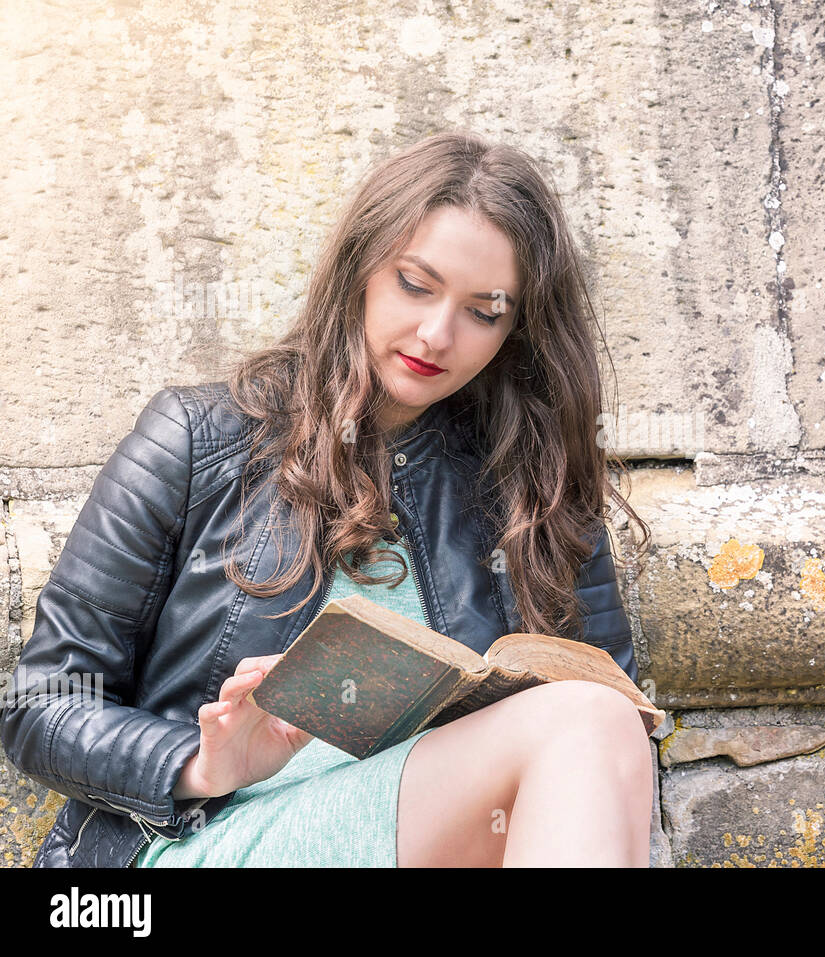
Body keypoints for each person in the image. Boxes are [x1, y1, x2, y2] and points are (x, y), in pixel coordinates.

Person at [0, 129, 656, 867]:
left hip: (448, 842)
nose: (436, 333)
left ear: (517, 327)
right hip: (215, 838)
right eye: (415, 283)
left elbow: (621, 725)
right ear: (362, 266)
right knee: (586, 724)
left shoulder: (538, 485)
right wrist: (202, 762)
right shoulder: (196, 438)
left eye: (484, 310)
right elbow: (42, 701)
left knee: (604, 723)